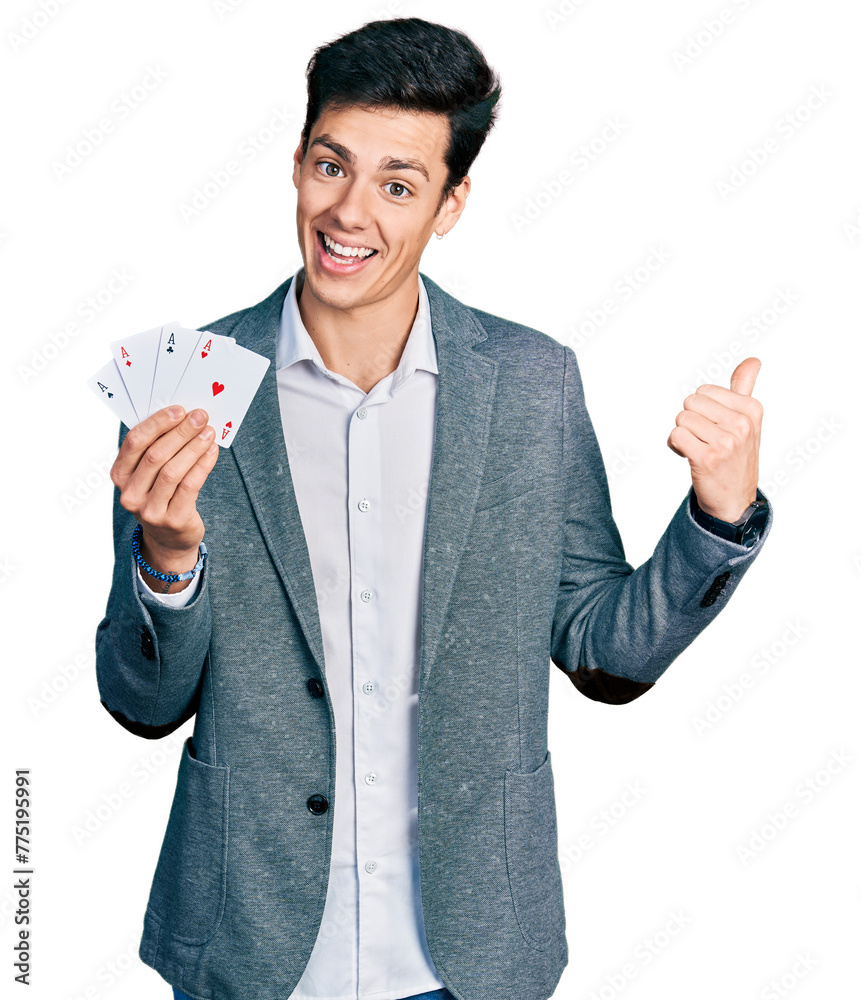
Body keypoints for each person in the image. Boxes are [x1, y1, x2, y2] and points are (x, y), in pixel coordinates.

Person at [95, 16, 772, 1000]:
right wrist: (166, 556)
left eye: (398, 184)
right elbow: (140, 699)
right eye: (332, 166)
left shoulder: (533, 385)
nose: (350, 213)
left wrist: (717, 516)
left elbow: (601, 645)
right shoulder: (185, 385)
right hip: (250, 949)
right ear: (295, 164)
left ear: (452, 202)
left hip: (470, 957)